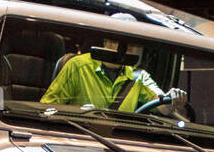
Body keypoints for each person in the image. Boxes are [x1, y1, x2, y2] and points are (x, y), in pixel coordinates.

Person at [41, 39, 187, 113]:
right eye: (117, 41)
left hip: (119, 141)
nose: (124, 48)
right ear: (105, 42)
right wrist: (80, 113)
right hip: (79, 137)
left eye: (131, 43)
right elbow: (47, 107)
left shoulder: (139, 76)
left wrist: (172, 99)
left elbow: (162, 106)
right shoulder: (78, 66)